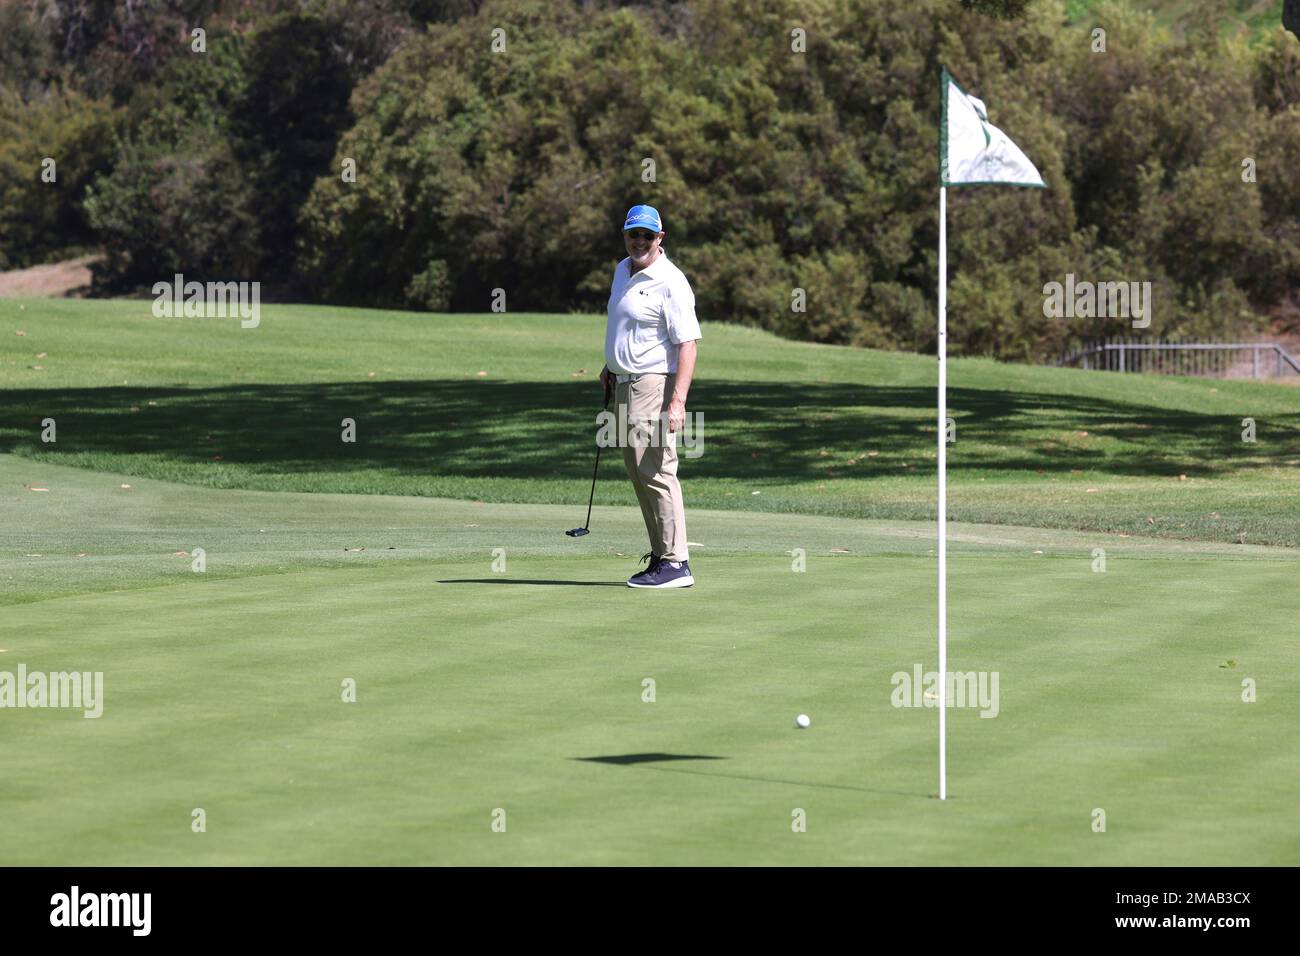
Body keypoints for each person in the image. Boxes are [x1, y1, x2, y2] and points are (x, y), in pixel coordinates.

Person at [599, 204, 701, 589]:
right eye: (633, 234)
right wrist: (611, 365)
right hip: (625, 382)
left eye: (647, 235)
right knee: (638, 471)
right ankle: (660, 555)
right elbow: (625, 326)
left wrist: (678, 402)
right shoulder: (622, 270)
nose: (639, 241)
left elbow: (687, 344)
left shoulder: (670, 281)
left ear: (661, 238)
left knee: (657, 470)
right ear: (625, 235)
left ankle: (677, 563)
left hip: (653, 385)